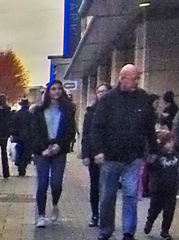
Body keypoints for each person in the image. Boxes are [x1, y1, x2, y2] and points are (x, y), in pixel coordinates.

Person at [85, 63, 158, 240]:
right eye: (134, 79)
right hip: (110, 157)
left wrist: (153, 149)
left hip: (133, 157)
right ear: (122, 77)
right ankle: (106, 229)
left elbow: (149, 127)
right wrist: (98, 151)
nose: (136, 82)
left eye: (137, 79)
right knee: (108, 196)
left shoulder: (143, 99)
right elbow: (97, 127)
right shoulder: (108, 100)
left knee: (131, 195)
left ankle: (128, 234)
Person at [26, 79, 78, 227]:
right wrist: (44, 149)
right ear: (48, 92)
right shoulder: (39, 110)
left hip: (59, 150)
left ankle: (55, 203)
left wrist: (59, 146)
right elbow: (34, 132)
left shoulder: (67, 110)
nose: (56, 92)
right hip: (42, 150)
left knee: (56, 182)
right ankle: (41, 215)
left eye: (59, 89)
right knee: (42, 183)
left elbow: (70, 131)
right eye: (53, 89)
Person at [143, 124, 179, 240]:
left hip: (171, 188)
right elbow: (149, 168)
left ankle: (165, 230)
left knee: (169, 211)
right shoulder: (157, 156)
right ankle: (150, 221)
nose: (171, 144)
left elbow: (176, 169)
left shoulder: (174, 155)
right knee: (155, 208)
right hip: (158, 188)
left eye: (172, 142)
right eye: (169, 142)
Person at [81, 83, 110, 226]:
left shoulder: (115, 111)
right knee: (95, 186)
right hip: (94, 155)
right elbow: (86, 134)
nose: (102, 94)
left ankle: (106, 217)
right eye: (99, 92)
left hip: (111, 154)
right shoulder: (91, 112)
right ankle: (95, 214)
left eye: (104, 91)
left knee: (108, 188)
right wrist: (85, 154)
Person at [10, 98, 33, 177]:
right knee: (26, 152)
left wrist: (14, 134)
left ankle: (20, 165)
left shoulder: (17, 114)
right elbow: (33, 126)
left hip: (19, 137)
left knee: (19, 151)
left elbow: (13, 125)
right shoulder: (30, 115)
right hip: (28, 137)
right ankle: (23, 166)